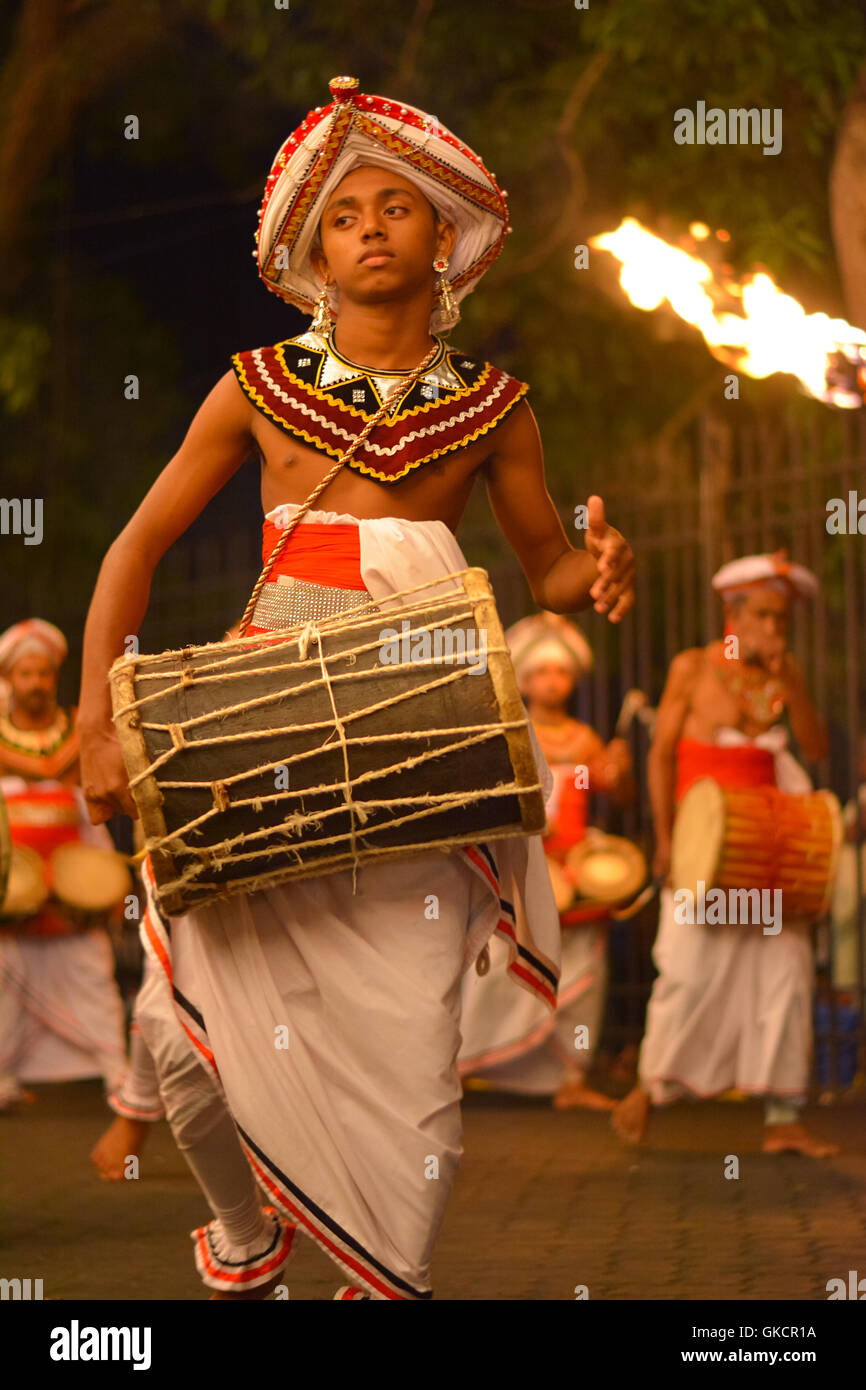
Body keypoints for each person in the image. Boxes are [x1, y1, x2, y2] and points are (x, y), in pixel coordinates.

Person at [78, 75, 635, 1300]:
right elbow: (132, 551)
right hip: (259, 717)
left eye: (398, 208)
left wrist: (587, 568)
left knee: (406, 1037)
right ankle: (244, 1236)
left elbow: (541, 565)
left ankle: (384, 1278)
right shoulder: (253, 385)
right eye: (344, 214)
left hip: (428, 732)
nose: (372, 226)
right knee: (178, 1032)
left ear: (446, 239)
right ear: (310, 252)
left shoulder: (496, 409)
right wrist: (94, 726)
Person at [612, 552, 838, 1157]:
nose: (774, 629)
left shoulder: (780, 678)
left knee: (784, 971)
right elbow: (660, 755)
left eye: (783, 620)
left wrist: (793, 685)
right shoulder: (694, 669)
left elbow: (815, 750)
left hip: (766, 853)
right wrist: (663, 836)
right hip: (701, 850)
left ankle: (784, 1116)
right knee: (686, 972)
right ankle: (650, 1088)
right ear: (731, 612)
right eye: (764, 616)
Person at [460, 611, 635, 1108]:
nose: (551, 682)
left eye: (560, 673)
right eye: (540, 673)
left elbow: (618, 794)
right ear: (524, 680)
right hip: (524, 861)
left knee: (583, 969)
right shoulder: (513, 729)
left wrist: (617, 772)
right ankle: (467, 1062)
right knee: (501, 962)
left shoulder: (584, 738)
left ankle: (570, 1081)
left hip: (575, 867)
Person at [0, 620, 126, 1111]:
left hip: (72, 884)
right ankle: (3, 1079)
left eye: (45, 673)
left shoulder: (81, 734)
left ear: (55, 677)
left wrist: (107, 881)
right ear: (10, 680)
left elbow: (94, 813)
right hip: (14, 892)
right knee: (6, 985)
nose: (36, 683)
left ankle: (117, 1072)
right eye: (26, 673)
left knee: (92, 975)